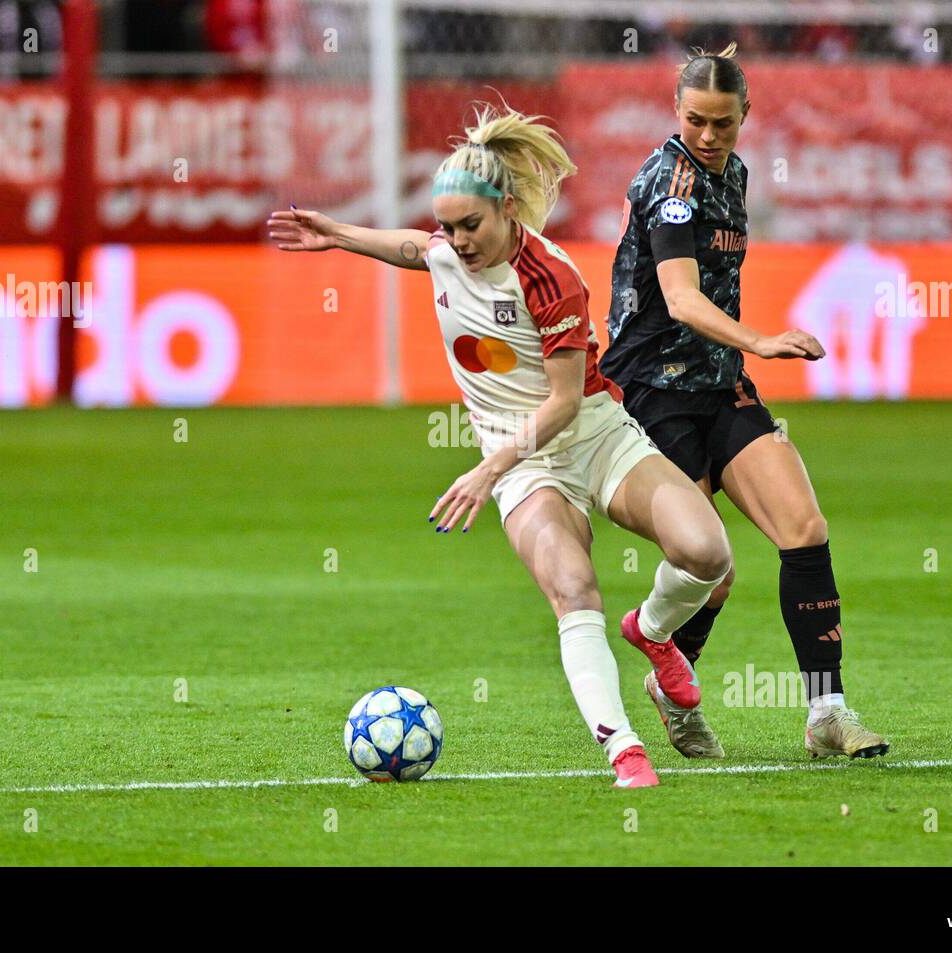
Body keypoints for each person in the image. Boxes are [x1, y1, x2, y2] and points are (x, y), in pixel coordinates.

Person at [268, 105, 734, 788]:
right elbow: (409, 248)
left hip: (593, 436)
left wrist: (486, 469)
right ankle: (623, 748)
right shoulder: (443, 253)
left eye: (470, 225)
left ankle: (654, 632)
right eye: (447, 226)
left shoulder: (551, 278)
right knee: (573, 588)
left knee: (707, 552)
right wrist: (336, 234)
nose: (455, 241)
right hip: (529, 470)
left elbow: (566, 401)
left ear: (509, 210)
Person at [602, 45, 889, 761]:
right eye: (696, 120)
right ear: (677, 112)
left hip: (720, 384)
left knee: (805, 526)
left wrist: (742, 355)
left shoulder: (735, 174)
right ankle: (675, 682)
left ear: (744, 116)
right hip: (655, 391)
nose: (707, 135)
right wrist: (760, 341)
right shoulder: (669, 184)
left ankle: (827, 712)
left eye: (722, 124)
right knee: (713, 572)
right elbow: (680, 298)